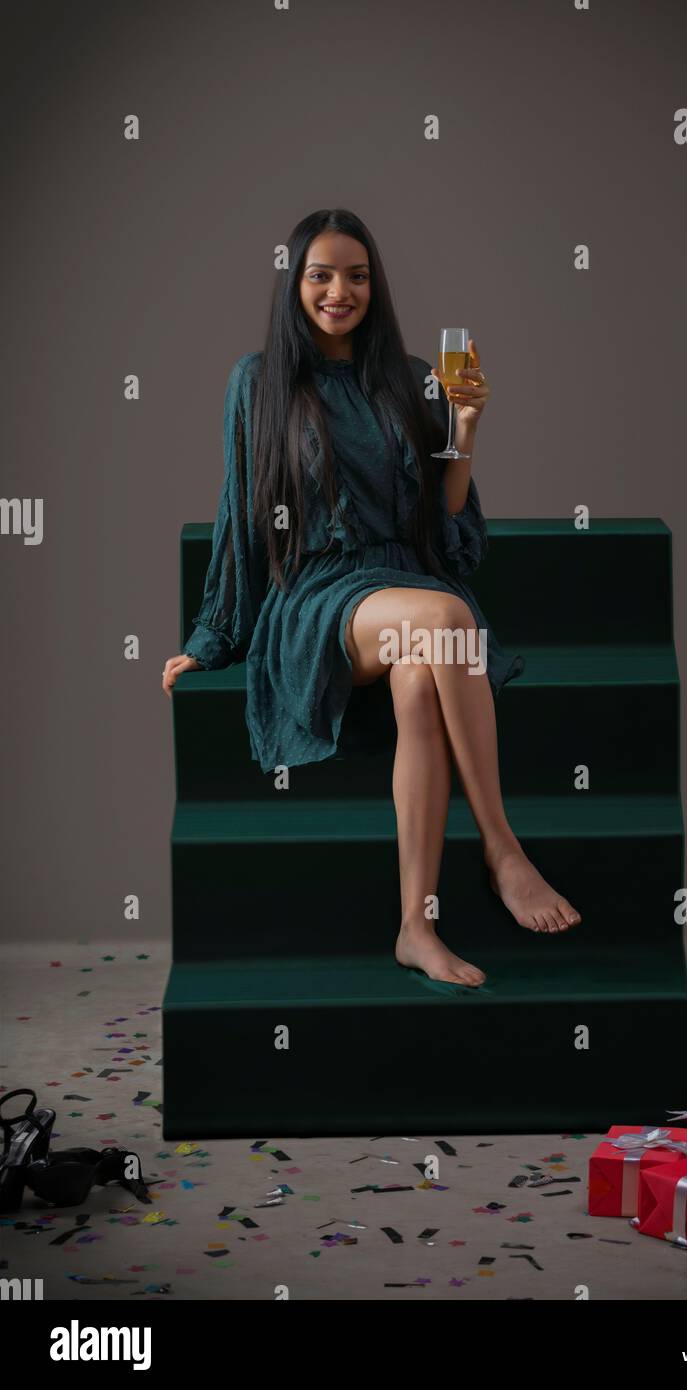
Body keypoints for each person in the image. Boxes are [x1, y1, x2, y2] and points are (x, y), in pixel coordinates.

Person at [162, 208, 580, 986]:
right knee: (451, 620)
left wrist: (465, 425)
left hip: (405, 582)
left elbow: (448, 519)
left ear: (373, 285)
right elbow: (241, 510)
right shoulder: (257, 383)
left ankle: (415, 929)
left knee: (422, 682)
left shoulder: (411, 375)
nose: (338, 291)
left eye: (355, 275)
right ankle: (502, 847)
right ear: (295, 284)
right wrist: (214, 635)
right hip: (320, 595)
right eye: (320, 275)